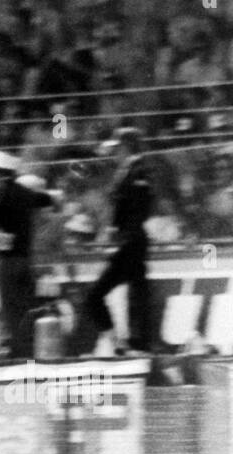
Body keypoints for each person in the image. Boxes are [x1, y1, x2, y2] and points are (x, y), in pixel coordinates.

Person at [84, 128, 155, 355]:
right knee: (135, 293)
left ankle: (132, 344)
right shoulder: (128, 171)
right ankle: (128, 344)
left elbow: (139, 208)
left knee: (125, 294)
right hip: (129, 241)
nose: (114, 154)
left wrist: (124, 238)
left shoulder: (139, 171)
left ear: (125, 147)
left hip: (131, 242)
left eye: (117, 149)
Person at [0, 150, 58, 359]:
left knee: (11, 311)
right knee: (27, 309)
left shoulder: (0, 192)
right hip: (26, 260)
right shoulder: (25, 193)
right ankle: (32, 352)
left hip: (8, 262)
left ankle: (19, 355)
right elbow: (47, 200)